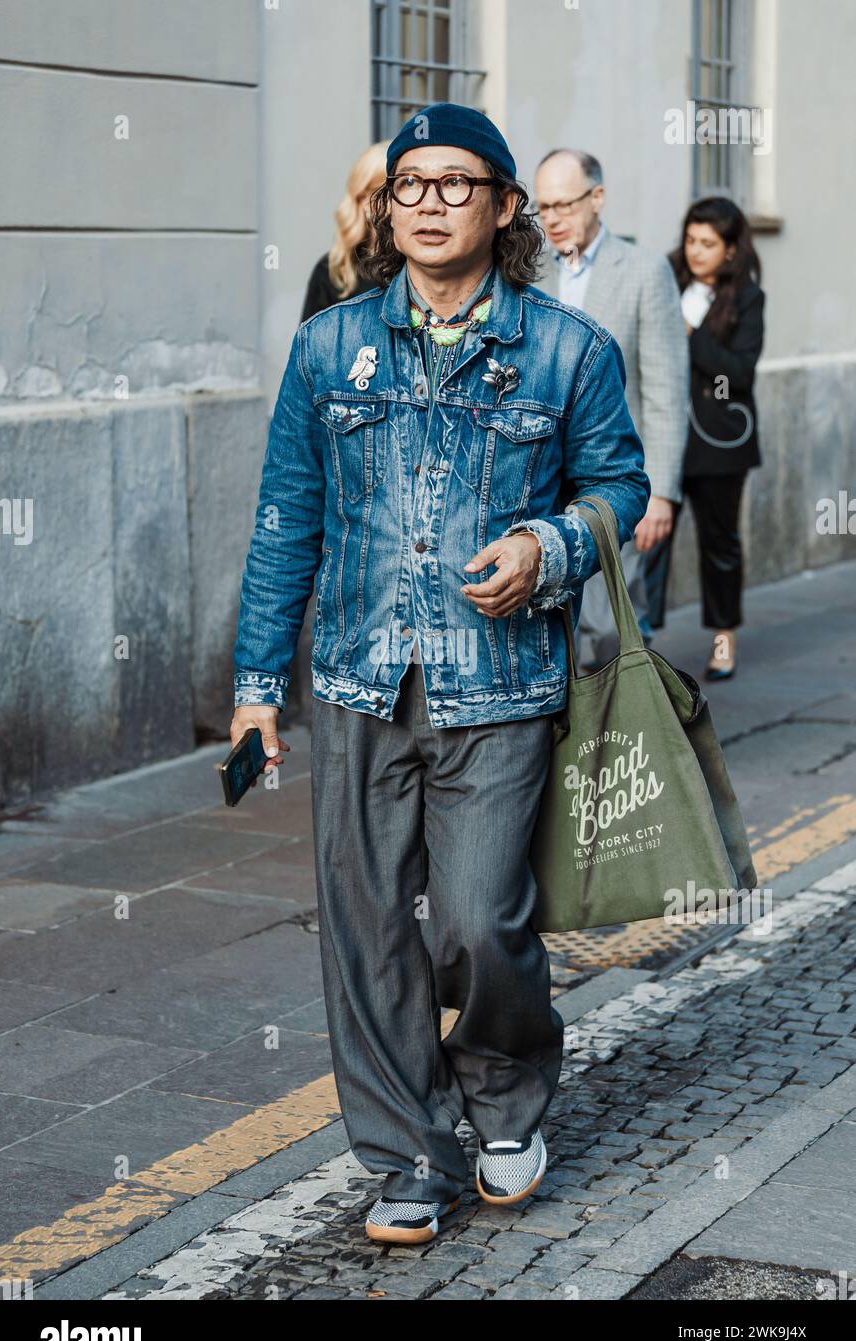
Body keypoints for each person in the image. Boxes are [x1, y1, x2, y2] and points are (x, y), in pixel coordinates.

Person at [231, 102, 649, 1246]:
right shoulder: (331, 347)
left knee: (476, 921)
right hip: (360, 679)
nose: (425, 202)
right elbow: (286, 519)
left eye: (454, 183)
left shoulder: (567, 351)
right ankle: (409, 1151)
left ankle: (505, 1094)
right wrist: (257, 681)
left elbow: (618, 489)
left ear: (505, 207)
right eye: (407, 185)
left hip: (500, 682)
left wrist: (545, 548)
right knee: (367, 930)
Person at [534, 149, 688, 669]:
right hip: (542, 482)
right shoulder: (528, 272)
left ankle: (628, 738)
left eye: (564, 204)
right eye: (543, 207)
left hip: (615, 481)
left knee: (611, 630)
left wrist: (662, 493)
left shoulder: (645, 272)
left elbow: (666, 387)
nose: (552, 218)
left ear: (597, 198)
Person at [667, 197, 764, 679]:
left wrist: (691, 335)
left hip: (720, 443)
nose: (695, 251)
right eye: (690, 240)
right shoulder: (667, 279)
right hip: (665, 435)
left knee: (719, 543)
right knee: (648, 539)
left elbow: (738, 374)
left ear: (729, 250)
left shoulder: (745, 297)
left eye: (708, 243)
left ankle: (723, 638)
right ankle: (635, 639)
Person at [299, 141, 388, 322]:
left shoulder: (421, 267)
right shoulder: (333, 270)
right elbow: (310, 347)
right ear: (363, 199)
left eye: (405, 187)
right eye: (384, 190)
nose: (395, 201)